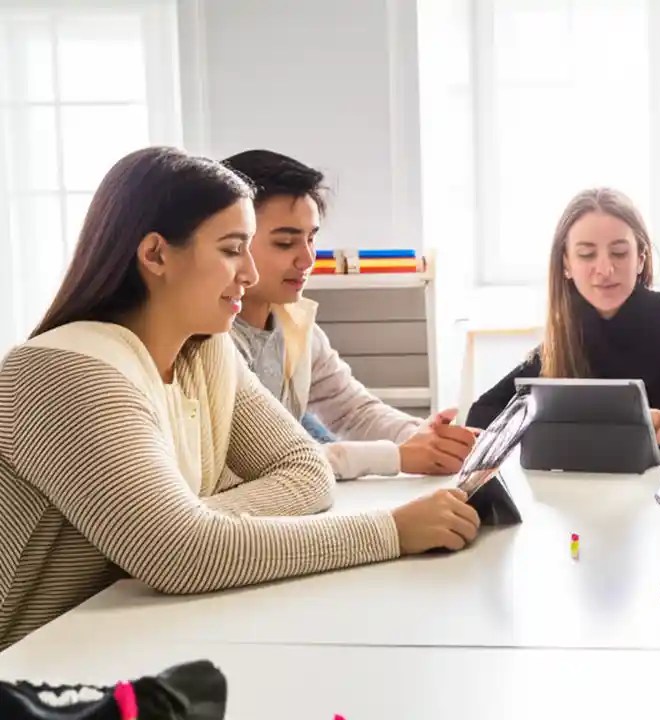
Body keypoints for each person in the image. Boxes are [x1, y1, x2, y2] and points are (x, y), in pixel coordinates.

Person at [0, 147, 482, 650]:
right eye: (232, 250)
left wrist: (189, 525)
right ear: (156, 254)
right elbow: (178, 553)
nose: (249, 274)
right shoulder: (64, 371)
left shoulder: (207, 351)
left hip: (115, 639)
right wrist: (391, 532)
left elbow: (307, 472)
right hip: (28, 659)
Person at [222, 149, 477, 479]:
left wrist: (428, 438)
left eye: (311, 238)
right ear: (232, 243)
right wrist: (398, 456)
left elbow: (353, 411)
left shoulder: (296, 324)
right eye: (285, 243)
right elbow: (264, 457)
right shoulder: (212, 340)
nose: (307, 259)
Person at [465, 187, 660, 445]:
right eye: (586, 254)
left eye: (619, 253)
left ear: (640, 258)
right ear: (566, 264)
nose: (605, 269)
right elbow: (482, 414)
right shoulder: (566, 340)